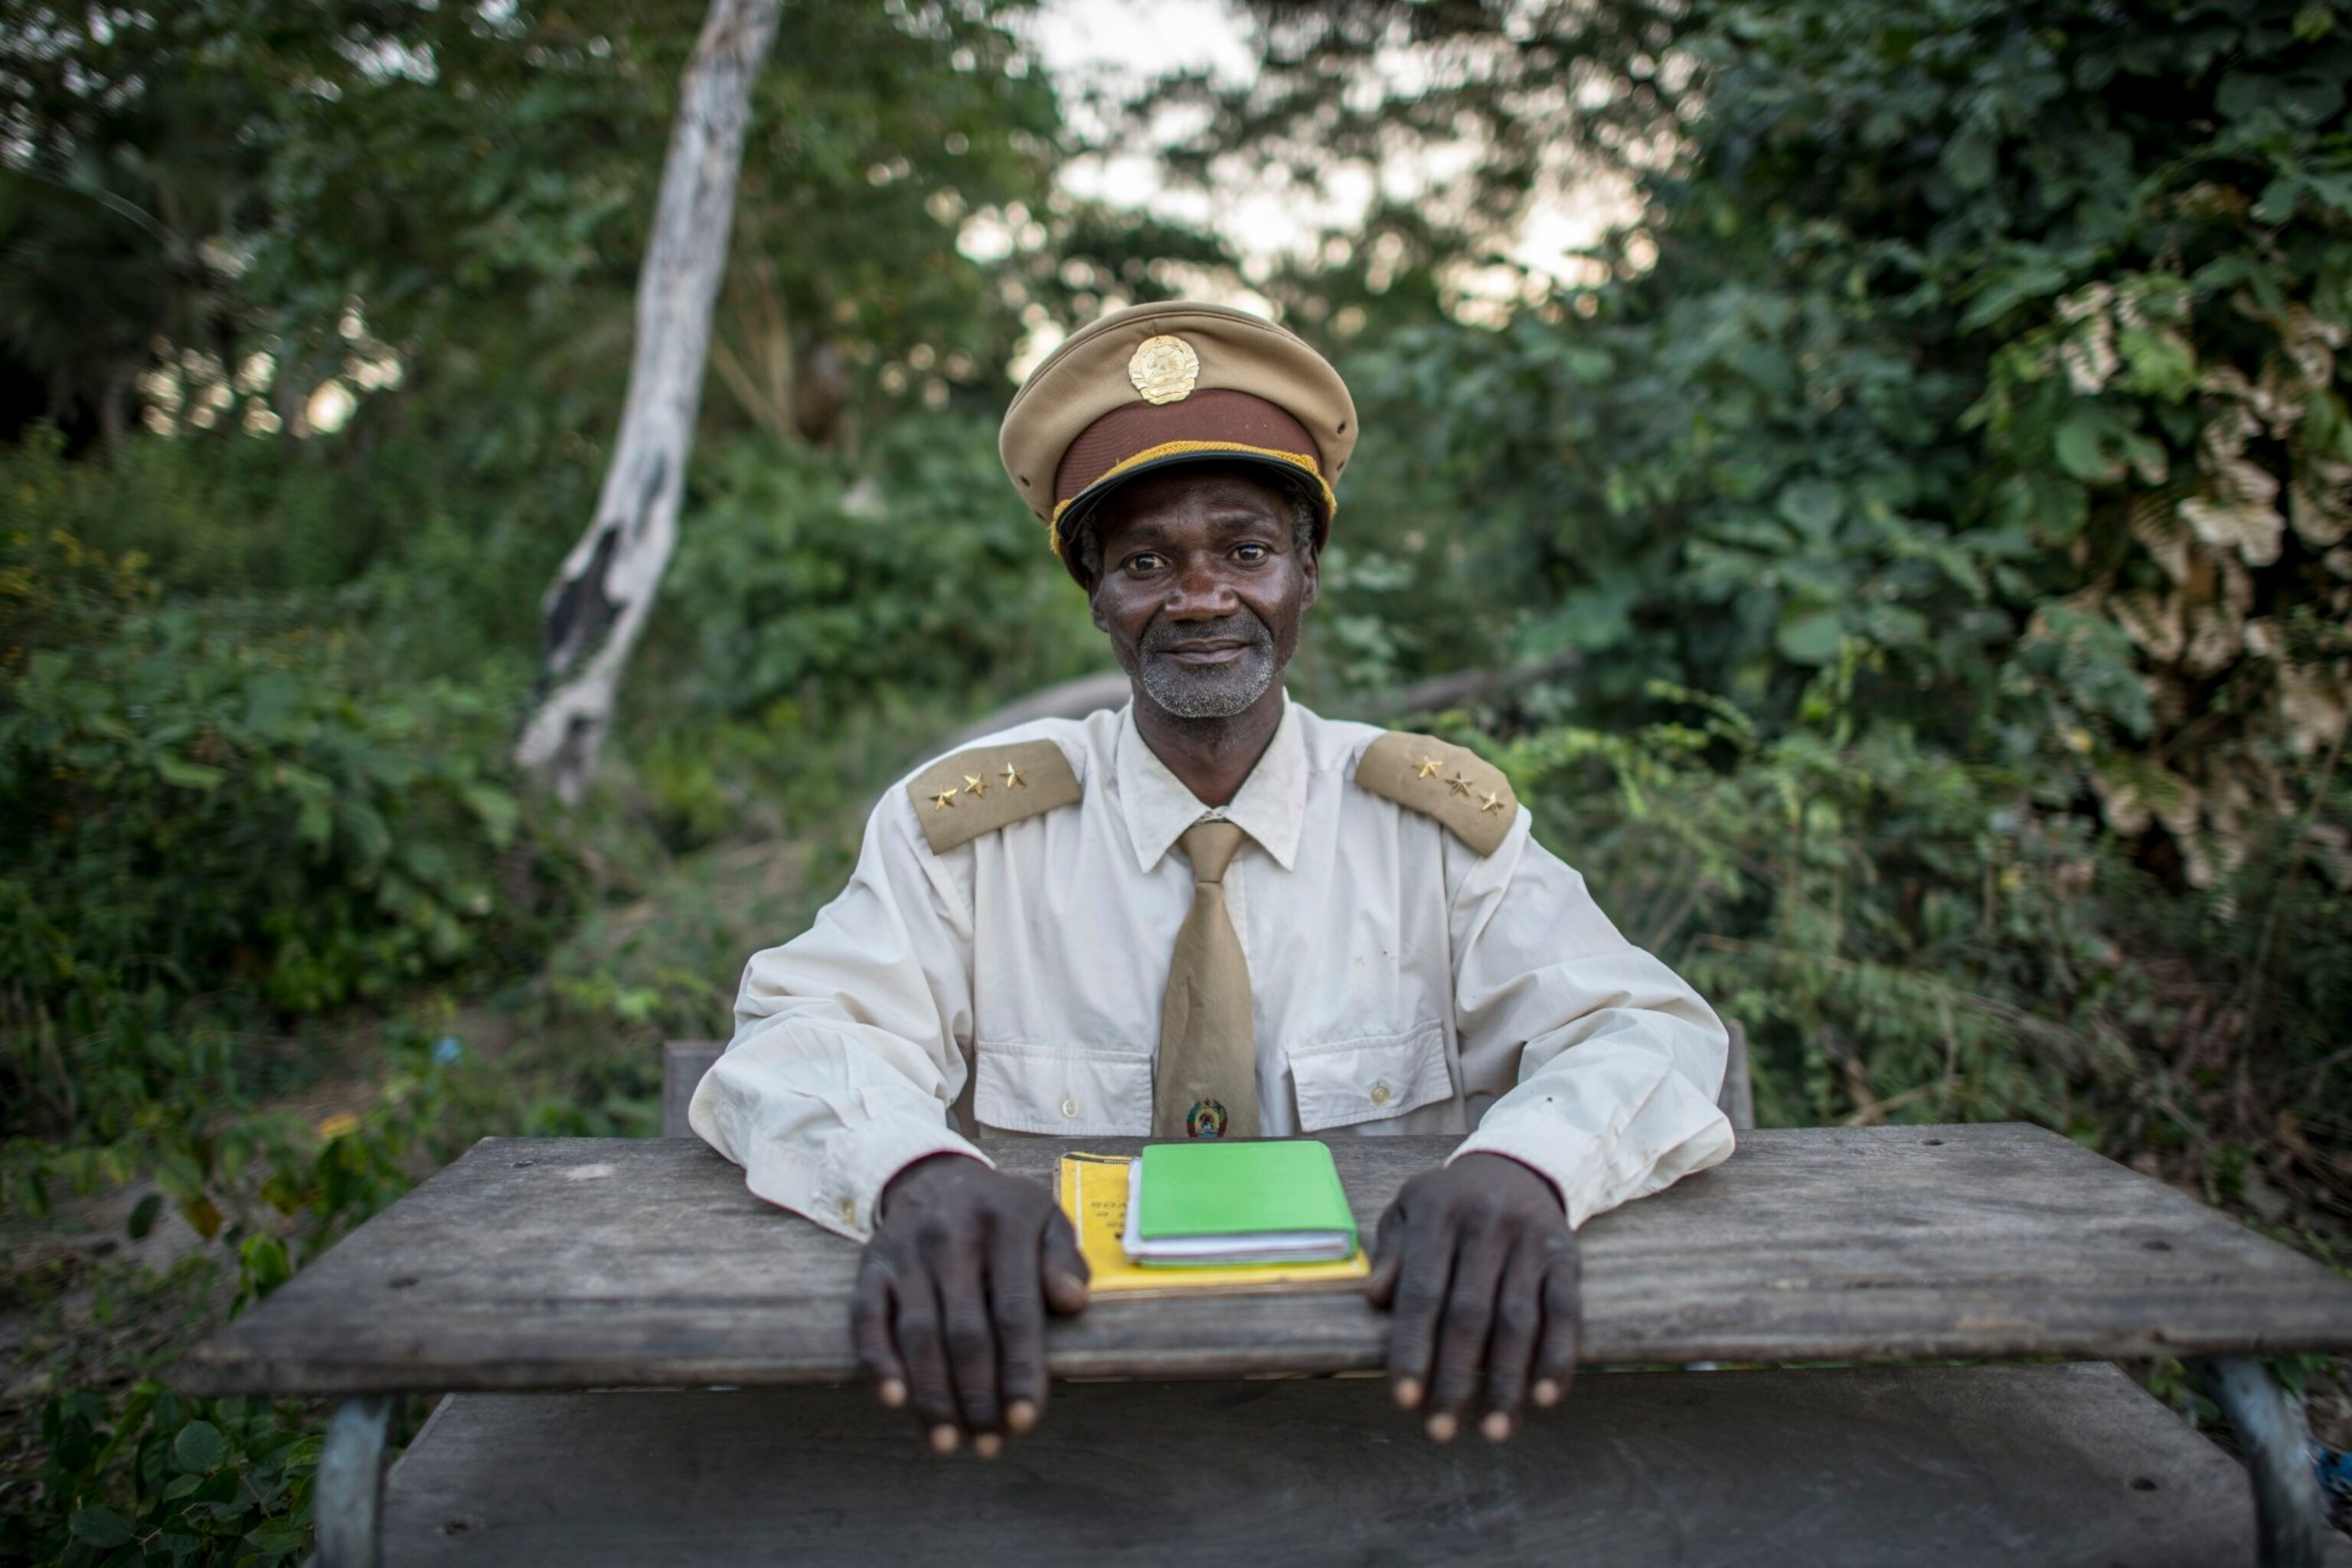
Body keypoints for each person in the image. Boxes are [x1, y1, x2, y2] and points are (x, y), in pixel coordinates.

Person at [691, 300, 1734, 1460]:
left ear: (1306, 575)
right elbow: (795, 1039)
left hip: (1380, 1404)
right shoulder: (966, 834)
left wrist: (1523, 1168)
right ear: (1094, 592)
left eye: (1245, 550)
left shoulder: (1429, 827)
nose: (1199, 598)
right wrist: (916, 1174)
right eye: (1146, 561)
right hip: (1054, 1412)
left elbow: (1645, 1027)